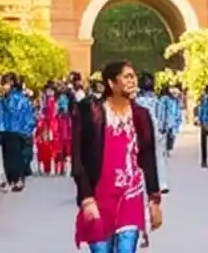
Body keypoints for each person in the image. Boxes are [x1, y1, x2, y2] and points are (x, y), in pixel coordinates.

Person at [72, 61, 162, 253]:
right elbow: (78, 157)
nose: (132, 80)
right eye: (126, 76)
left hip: (130, 196)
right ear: (112, 83)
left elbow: (148, 158)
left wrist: (154, 200)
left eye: (133, 76)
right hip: (98, 198)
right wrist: (86, 198)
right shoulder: (90, 112)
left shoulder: (141, 115)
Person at [0, 72, 36, 192]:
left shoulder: (14, 99)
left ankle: (14, 180)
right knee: (13, 157)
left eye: (5, 84)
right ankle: (15, 180)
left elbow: (15, 113)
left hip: (13, 130)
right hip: (13, 130)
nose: (3, 86)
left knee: (12, 157)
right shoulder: (12, 98)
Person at [133, 73, 170, 194]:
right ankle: (162, 183)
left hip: (140, 131)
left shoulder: (136, 101)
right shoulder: (157, 101)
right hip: (155, 129)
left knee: (138, 157)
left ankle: (137, 182)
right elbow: (162, 116)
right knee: (159, 156)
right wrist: (163, 128)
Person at [159, 86, 182, 157]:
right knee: (165, 136)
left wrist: (178, 121)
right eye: (174, 93)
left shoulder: (177, 101)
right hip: (166, 121)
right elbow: (162, 111)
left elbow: (178, 112)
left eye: (176, 93)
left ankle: (168, 149)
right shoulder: (165, 99)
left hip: (174, 121)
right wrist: (162, 122)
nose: (175, 94)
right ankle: (164, 150)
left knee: (172, 137)